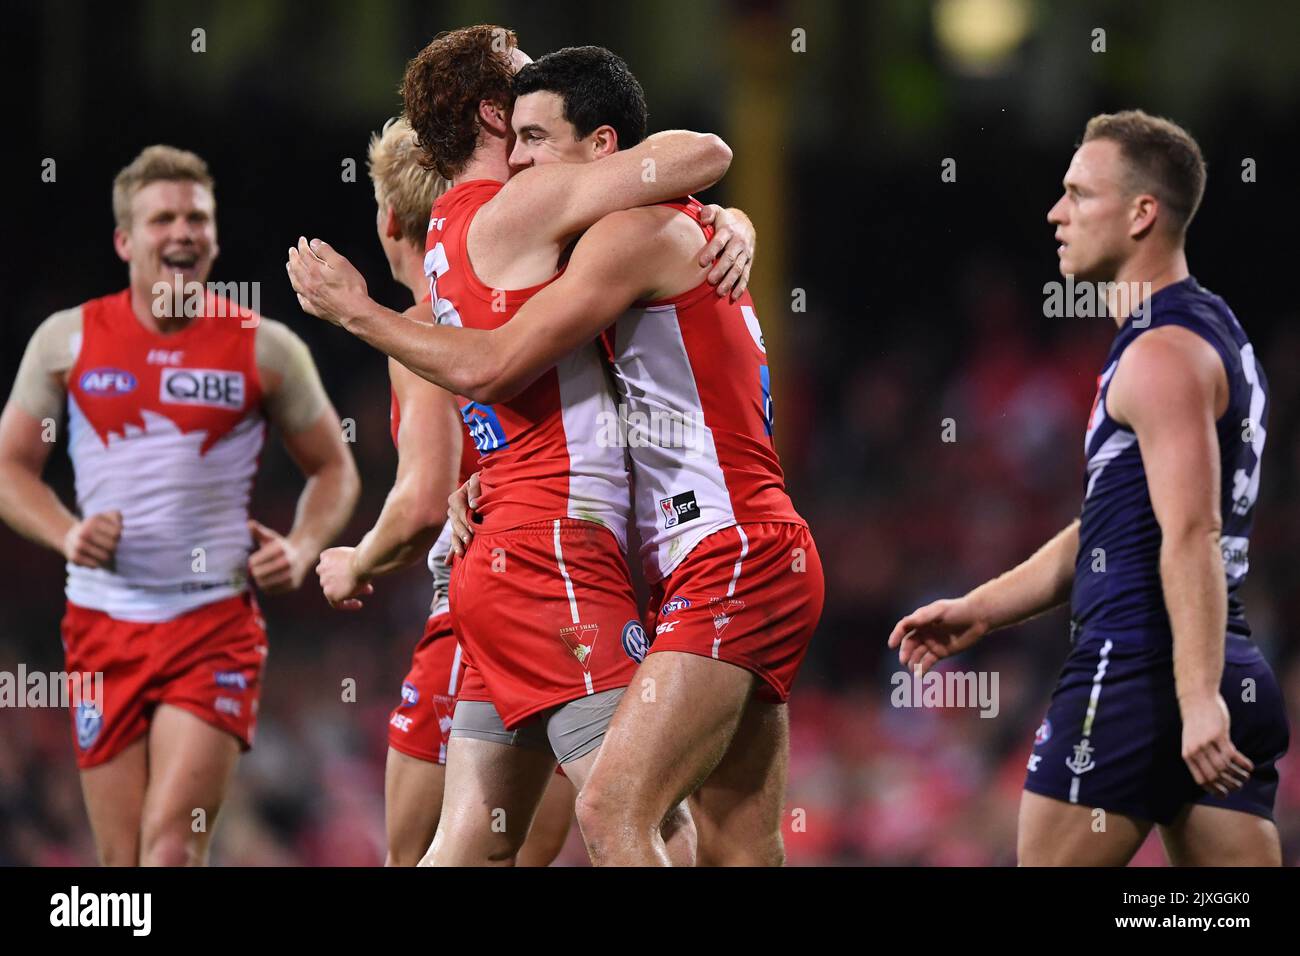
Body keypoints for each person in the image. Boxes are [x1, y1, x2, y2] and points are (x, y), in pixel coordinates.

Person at [290, 45, 821, 866]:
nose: (529, 162)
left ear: (605, 151)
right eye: (522, 135)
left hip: (717, 549)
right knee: (711, 840)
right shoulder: (581, 231)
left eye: (543, 139)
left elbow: (500, 362)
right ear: (490, 116)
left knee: (603, 819)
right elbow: (701, 162)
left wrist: (363, 316)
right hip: (603, 550)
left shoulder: (614, 237)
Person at [889, 110, 1289, 866]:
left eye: (1079, 194)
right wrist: (983, 608)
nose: (1056, 212)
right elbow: (1116, 528)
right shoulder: (1209, 333)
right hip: (1221, 662)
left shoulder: (1162, 354)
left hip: (1139, 667)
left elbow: (1192, 532)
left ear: (1143, 214)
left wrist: (1194, 695)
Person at [0, 145, 359, 865]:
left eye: (197, 218)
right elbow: (11, 469)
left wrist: (300, 544)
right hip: (103, 625)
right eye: (162, 218)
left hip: (213, 627)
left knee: (171, 848)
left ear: (216, 238)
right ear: (125, 241)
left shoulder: (267, 349)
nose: (183, 232)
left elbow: (335, 471)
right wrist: (67, 534)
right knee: (122, 862)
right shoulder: (65, 342)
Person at [314, 117, 574, 866]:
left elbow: (425, 503)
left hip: (475, 619)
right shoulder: (540, 308)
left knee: (418, 857)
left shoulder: (423, 328)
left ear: (390, 217)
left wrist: (355, 563)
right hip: (572, 603)